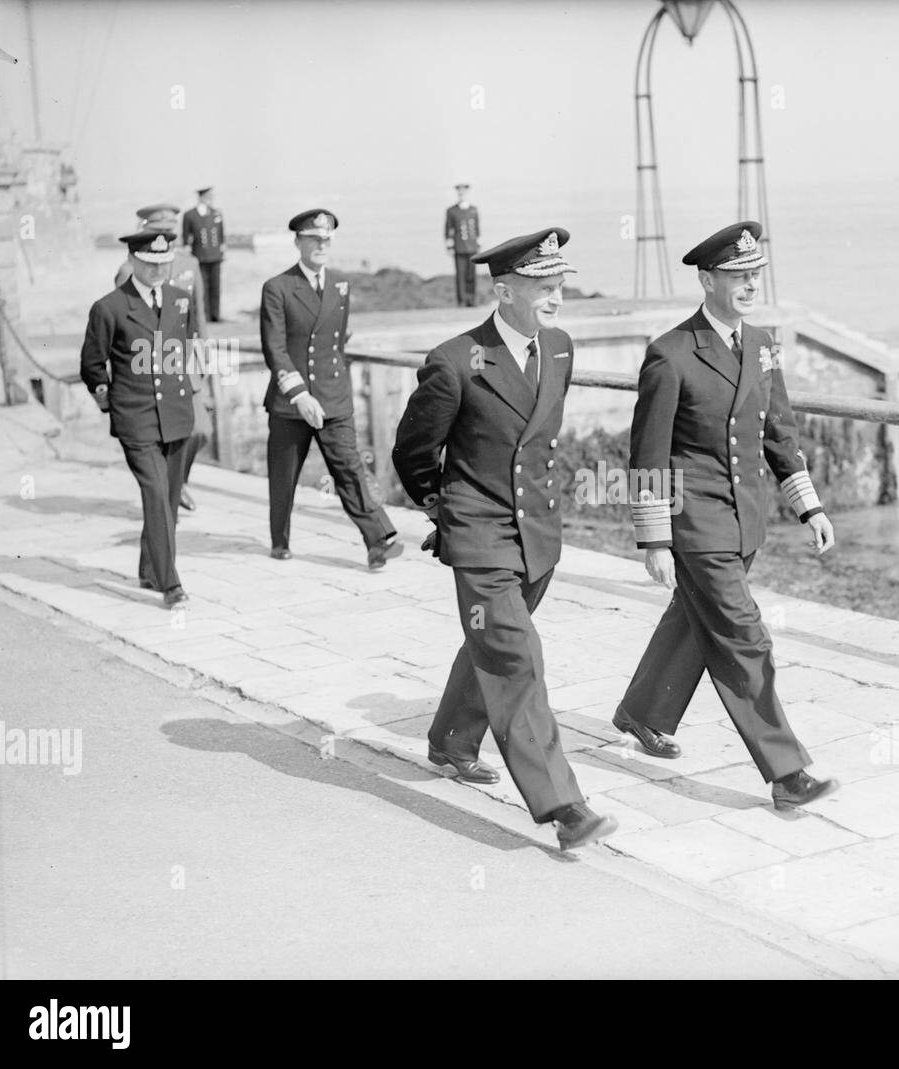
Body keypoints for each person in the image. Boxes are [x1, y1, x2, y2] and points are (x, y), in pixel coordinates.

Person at [391, 228, 616, 851]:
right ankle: (564, 807)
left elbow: (539, 442)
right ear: (503, 291)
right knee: (518, 660)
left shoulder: (560, 349)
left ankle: (449, 742)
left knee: (492, 645)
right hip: (480, 537)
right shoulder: (455, 361)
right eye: (544, 288)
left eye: (559, 286)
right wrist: (447, 514)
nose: (556, 299)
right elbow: (412, 453)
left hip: (538, 537)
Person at [612, 221, 839, 812]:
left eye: (754, 275)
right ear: (707, 279)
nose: (747, 285)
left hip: (746, 522)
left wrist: (806, 503)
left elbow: (779, 431)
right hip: (697, 524)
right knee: (745, 637)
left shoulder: (762, 343)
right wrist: (655, 540)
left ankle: (643, 713)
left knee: (693, 619)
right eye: (736, 275)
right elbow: (648, 454)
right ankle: (787, 773)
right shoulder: (671, 353)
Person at [259, 209, 403, 569]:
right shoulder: (277, 288)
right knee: (284, 474)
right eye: (313, 239)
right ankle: (280, 539)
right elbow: (274, 349)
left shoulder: (340, 283)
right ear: (298, 242)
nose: (321, 245)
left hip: (334, 395)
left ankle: (377, 539)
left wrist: (330, 389)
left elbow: (337, 341)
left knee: (349, 467)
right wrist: (300, 395)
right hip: (292, 401)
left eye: (326, 240)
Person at [79, 231, 196, 608]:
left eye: (164, 263)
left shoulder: (181, 301)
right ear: (132, 260)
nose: (159, 270)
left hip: (176, 416)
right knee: (157, 494)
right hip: (136, 417)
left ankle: (149, 570)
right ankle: (170, 583)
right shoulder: (109, 307)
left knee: (170, 500)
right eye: (150, 263)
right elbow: (92, 365)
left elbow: (183, 349)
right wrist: (108, 401)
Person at [116, 203, 210, 511]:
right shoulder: (130, 271)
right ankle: (167, 497)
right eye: (157, 231)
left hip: (184, 363)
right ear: (145, 230)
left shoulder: (189, 264)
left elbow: (198, 315)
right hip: (149, 371)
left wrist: (203, 359)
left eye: (169, 231)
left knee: (200, 430)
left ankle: (177, 482)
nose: (164, 236)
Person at [182, 186, 225, 322]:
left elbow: (221, 235)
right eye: (207, 196)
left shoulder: (216, 213)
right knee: (202, 287)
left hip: (215, 255)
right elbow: (185, 238)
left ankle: (215, 315)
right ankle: (204, 315)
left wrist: (222, 249)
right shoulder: (190, 215)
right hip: (199, 256)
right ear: (200, 197)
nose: (210, 199)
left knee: (215, 286)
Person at [444, 183, 480, 307]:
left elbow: (477, 229)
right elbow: (448, 229)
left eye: (463, 191)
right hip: (459, 247)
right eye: (459, 192)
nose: (461, 194)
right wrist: (449, 246)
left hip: (472, 247)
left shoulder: (473, 210)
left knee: (472, 275)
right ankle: (462, 301)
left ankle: (472, 299)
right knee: (460, 275)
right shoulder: (451, 211)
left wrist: (478, 244)